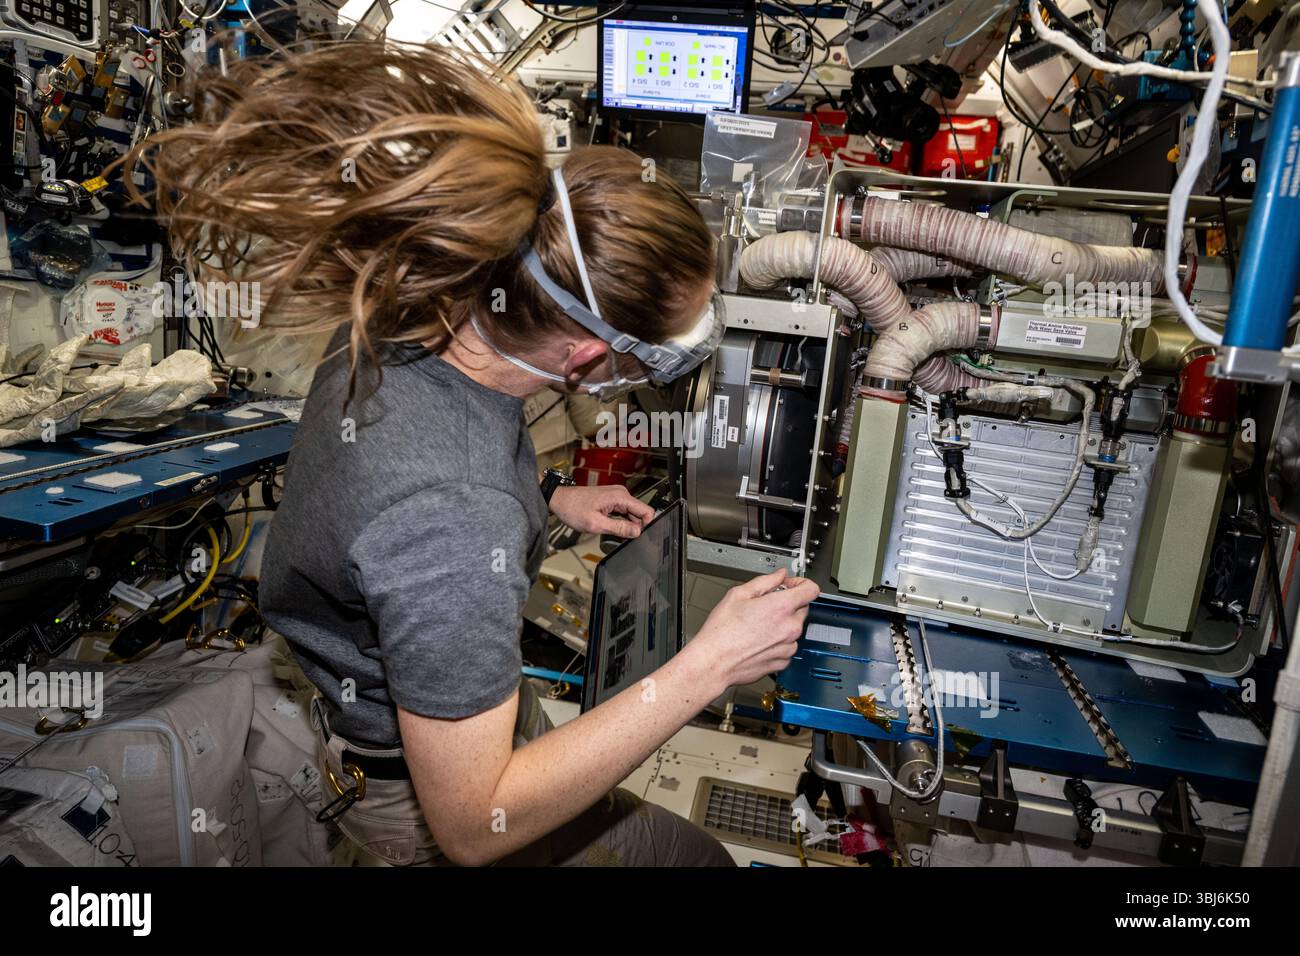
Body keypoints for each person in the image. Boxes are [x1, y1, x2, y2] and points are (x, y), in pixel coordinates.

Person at [126, 41, 818, 867]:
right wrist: (711, 666)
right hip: (421, 798)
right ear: (589, 362)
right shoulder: (454, 514)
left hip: (422, 709)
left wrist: (553, 499)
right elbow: (472, 821)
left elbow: (418, 484)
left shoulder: (402, 319)